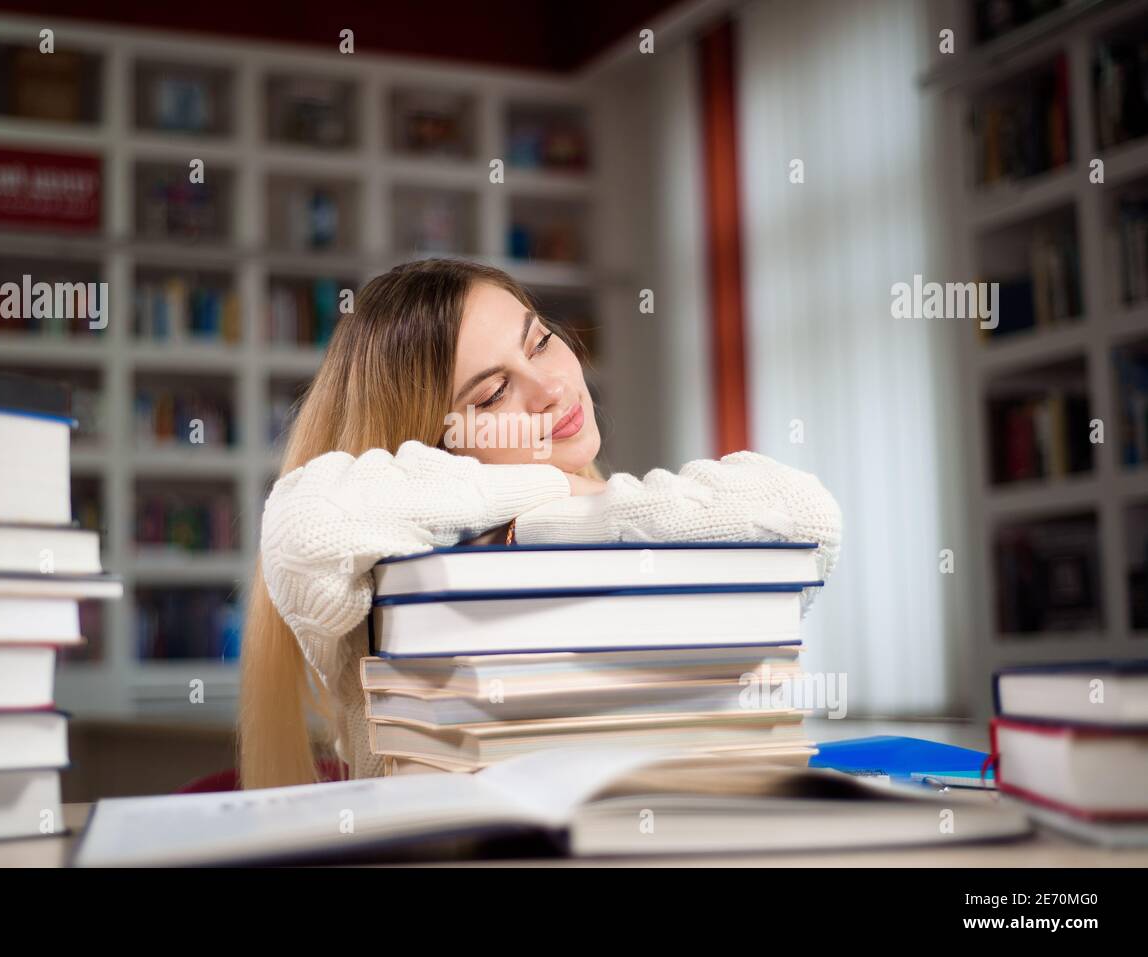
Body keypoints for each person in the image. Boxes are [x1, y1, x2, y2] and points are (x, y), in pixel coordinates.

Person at [240, 257, 842, 789]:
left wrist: (572, 511)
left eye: (541, 341)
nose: (552, 387)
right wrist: (553, 491)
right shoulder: (380, 569)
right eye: (494, 392)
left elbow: (806, 515)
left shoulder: (621, 517)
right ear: (429, 447)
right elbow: (307, 527)